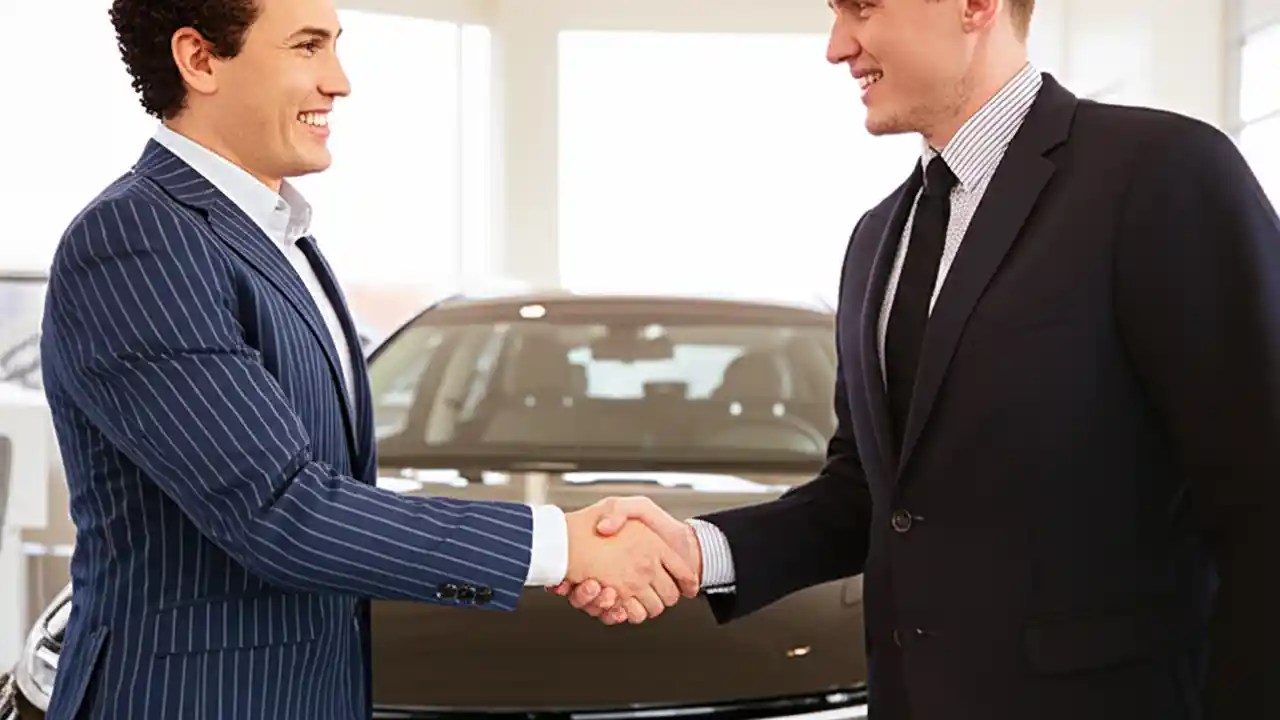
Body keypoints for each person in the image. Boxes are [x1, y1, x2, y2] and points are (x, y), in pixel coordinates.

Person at [556, 0, 1279, 717]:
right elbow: (866, 496)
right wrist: (694, 548)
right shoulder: (876, 240)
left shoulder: (1162, 173)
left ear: (975, 6)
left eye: (862, 9)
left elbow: (1262, 500)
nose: (837, 47)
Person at [39, 0, 696, 718]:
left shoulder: (275, 237)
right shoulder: (139, 240)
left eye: (334, 46)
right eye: (307, 47)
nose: (339, 80)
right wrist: (563, 545)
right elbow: (279, 509)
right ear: (199, 60)